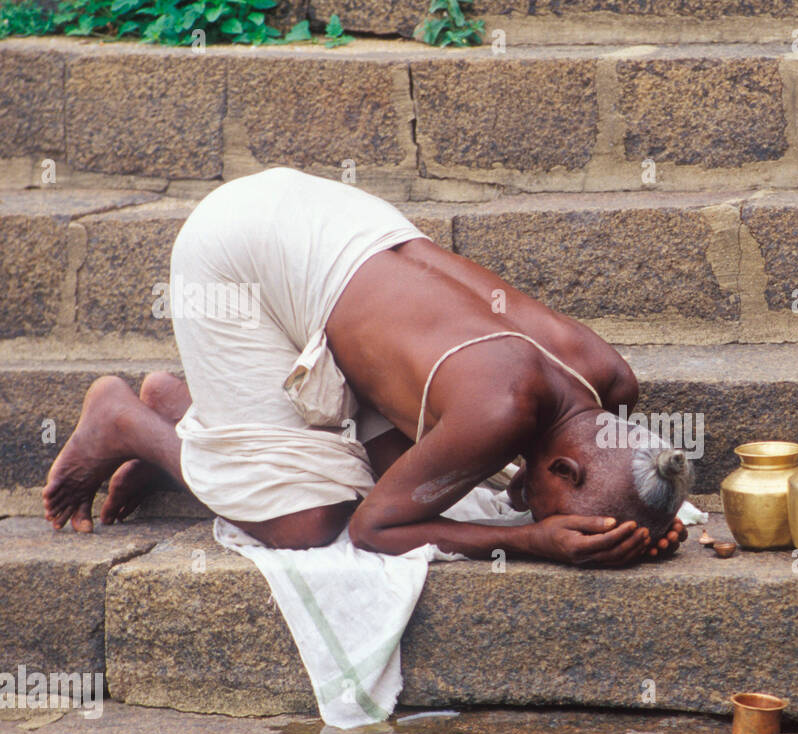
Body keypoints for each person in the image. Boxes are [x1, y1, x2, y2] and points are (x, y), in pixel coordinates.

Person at [42, 168, 692, 567]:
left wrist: (649, 524)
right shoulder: (499, 409)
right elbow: (375, 531)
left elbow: (633, 471)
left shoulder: (612, 380)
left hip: (335, 222)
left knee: (388, 475)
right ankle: (127, 422)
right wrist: (533, 543)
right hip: (240, 252)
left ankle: (181, 411)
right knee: (310, 525)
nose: (541, 514)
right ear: (565, 467)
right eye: (562, 510)